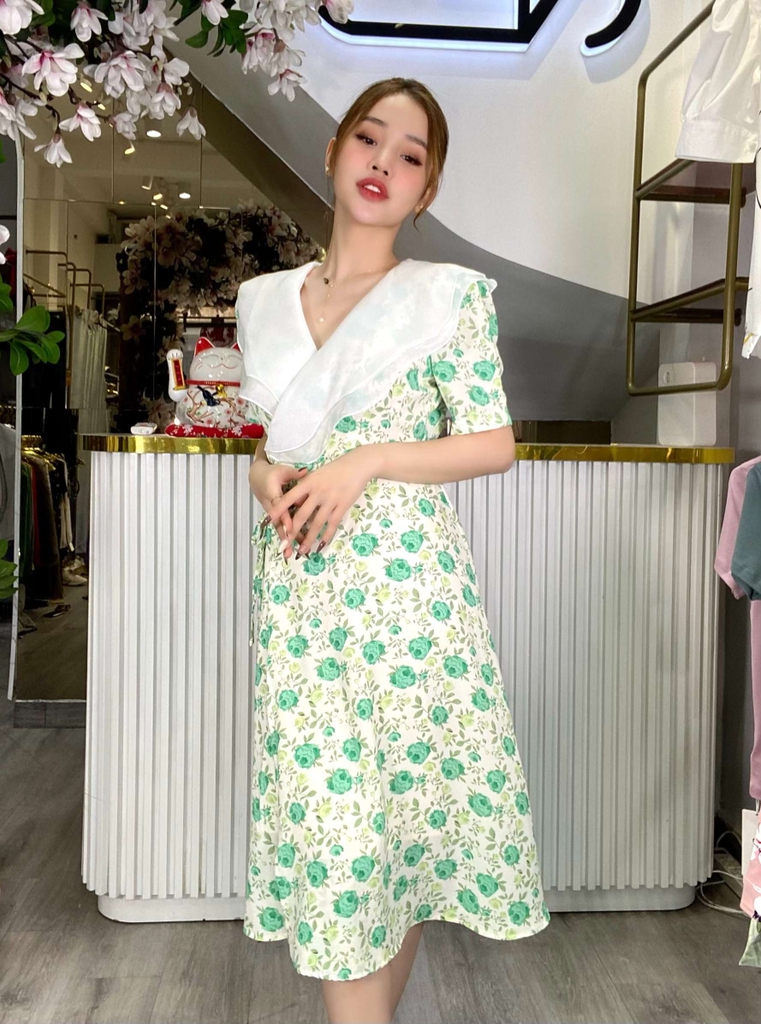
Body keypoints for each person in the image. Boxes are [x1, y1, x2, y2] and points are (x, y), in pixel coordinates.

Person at [237, 77, 550, 1024]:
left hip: (410, 603)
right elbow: (274, 441)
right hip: (302, 599)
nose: (384, 162)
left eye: (410, 156)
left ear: (427, 189)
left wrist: (368, 462)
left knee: (396, 843)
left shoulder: (446, 298)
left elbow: (493, 444)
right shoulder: (262, 301)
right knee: (339, 841)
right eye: (369, 140)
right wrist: (264, 475)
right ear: (335, 151)